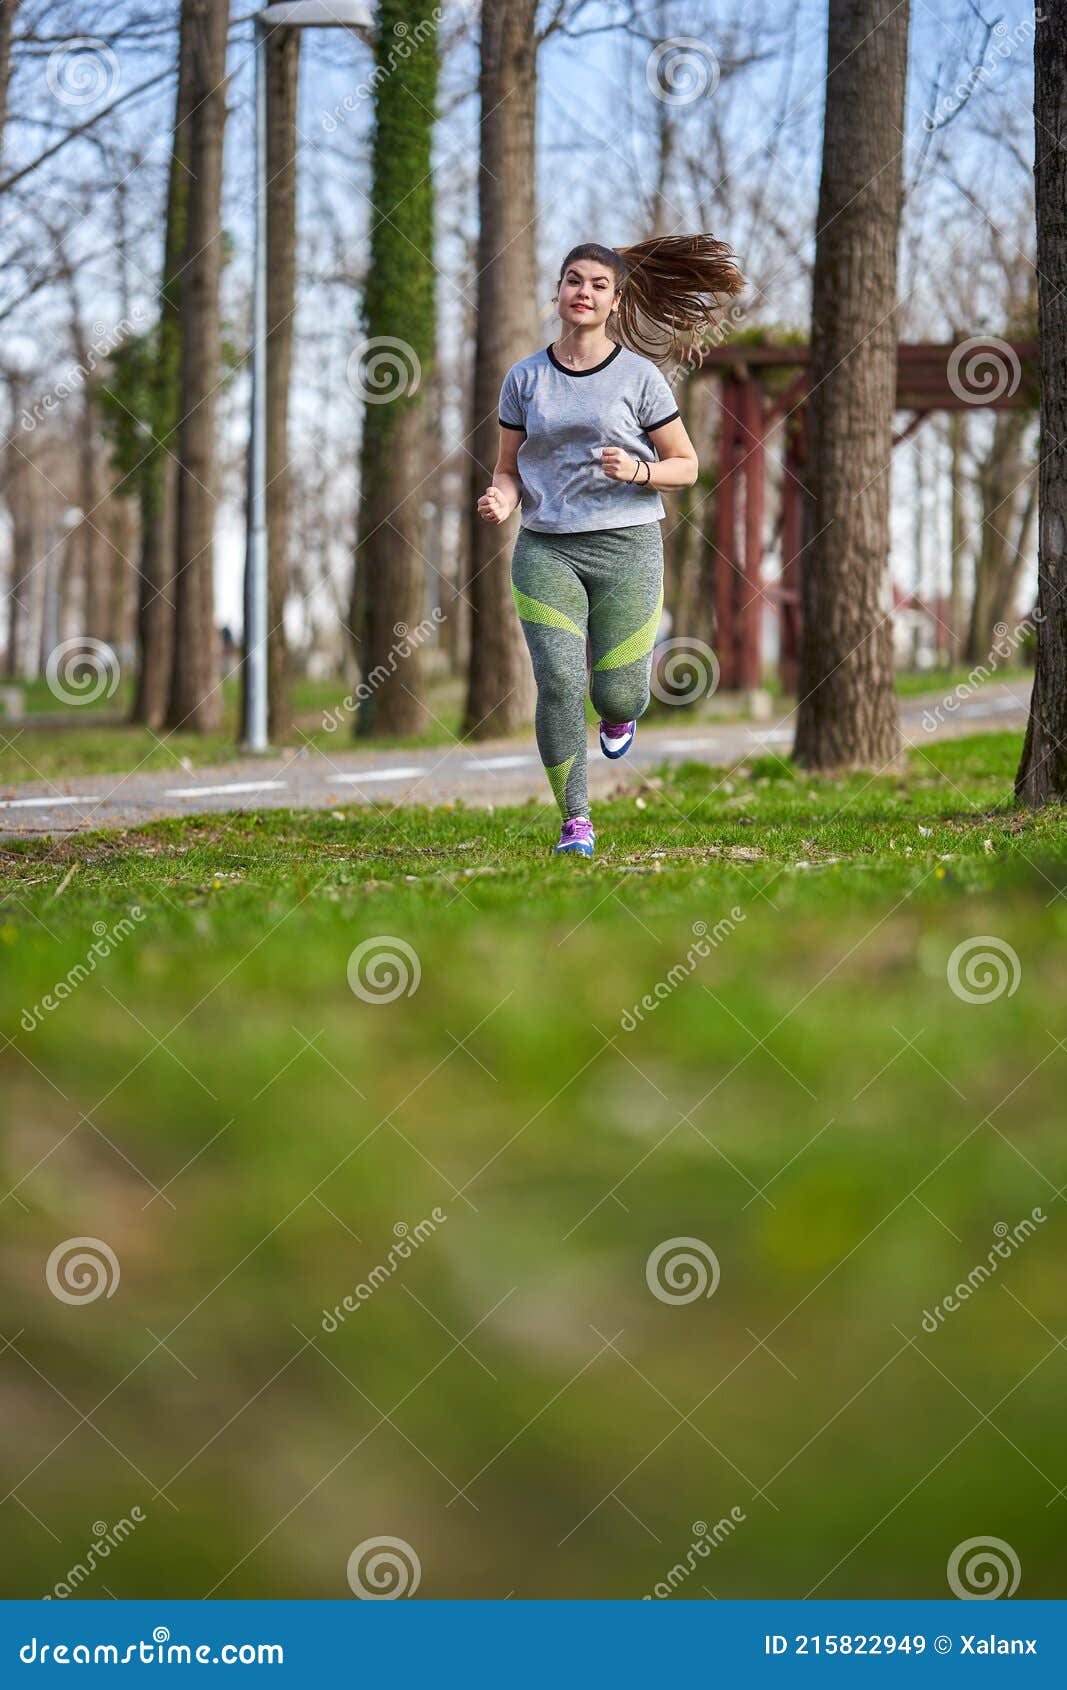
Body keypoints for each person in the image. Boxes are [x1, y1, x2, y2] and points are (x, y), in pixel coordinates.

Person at [477, 235, 744, 858]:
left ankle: (620, 715)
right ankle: (575, 820)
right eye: (575, 280)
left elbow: (687, 464)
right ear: (559, 290)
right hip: (547, 549)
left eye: (598, 285)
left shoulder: (640, 377)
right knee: (561, 683)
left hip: (628, 544)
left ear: (615, 302)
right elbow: (507, 468)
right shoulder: (525, 378)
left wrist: (640, 472)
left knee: (616, 693)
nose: (584, 293)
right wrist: (502, 499)